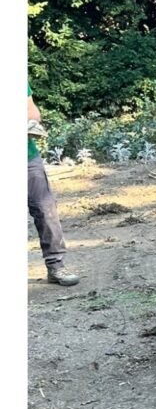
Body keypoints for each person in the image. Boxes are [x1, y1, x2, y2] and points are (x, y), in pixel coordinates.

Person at [27, 87, 79, 285]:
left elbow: (32, 111)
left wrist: (30, 123)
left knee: (45, 208)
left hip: (27, 158)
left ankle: (56, 266)